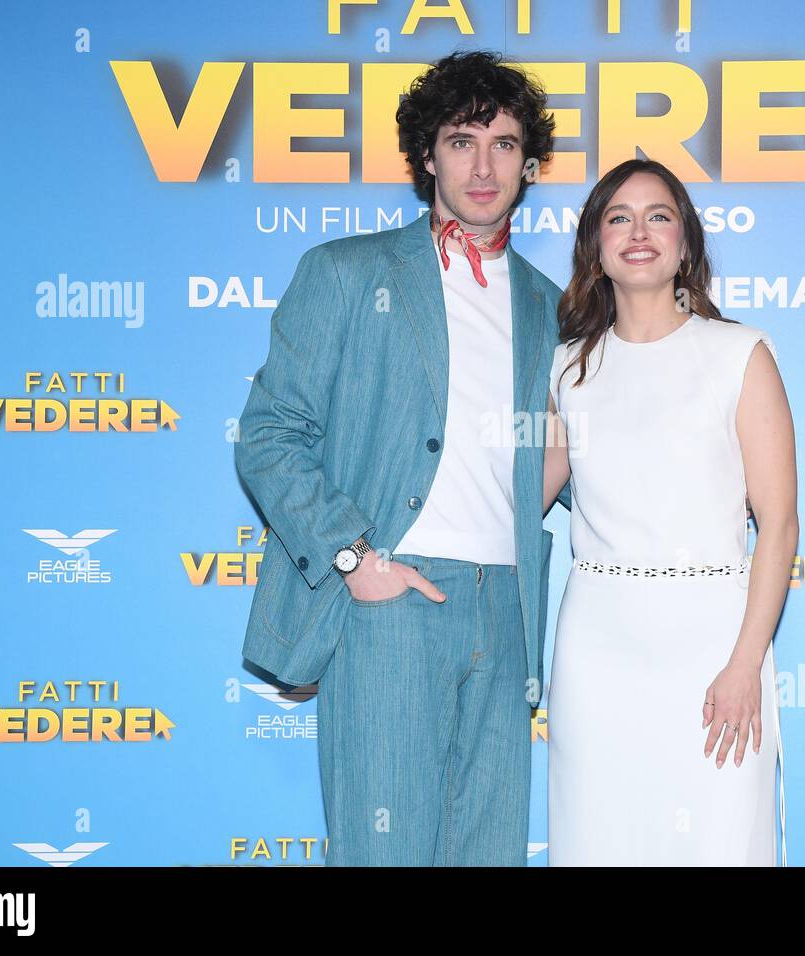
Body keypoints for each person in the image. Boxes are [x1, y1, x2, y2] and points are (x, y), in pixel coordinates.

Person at [235, 50, 568, 866]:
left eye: (503, 143)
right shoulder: (349, 273)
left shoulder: (549, 304)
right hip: (393, 599)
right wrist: (355, 558)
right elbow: (270, 432)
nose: (483, 165)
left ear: (529, 162)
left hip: (508, 609)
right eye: (462, 141)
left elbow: (541, 463)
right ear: (428, 156)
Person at [542, 158, 798, 866]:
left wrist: (745, 663)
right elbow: (515, 497)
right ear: (596, 246)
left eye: (660, 216)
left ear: (686, 245)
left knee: (717, 842)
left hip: (713, 643)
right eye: (618, 218)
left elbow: (778, 523)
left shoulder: (739, 353)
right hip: (597, 649)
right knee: (600, 841)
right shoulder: (565, 369)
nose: (639, 232)